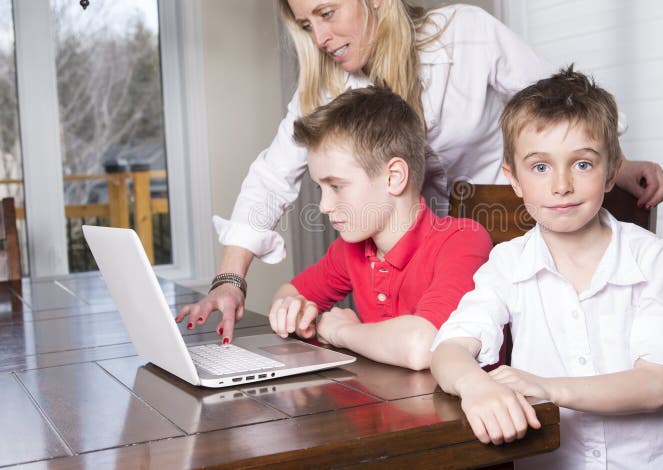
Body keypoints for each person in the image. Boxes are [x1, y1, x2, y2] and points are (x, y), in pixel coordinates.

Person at [184, 0, 663, 343]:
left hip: (511, 230)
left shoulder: (465, 32)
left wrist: (618, 165)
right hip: (415, 258)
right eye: (307, 25)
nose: (320, 38)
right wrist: (230, 280)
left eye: (328, 13)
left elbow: (560, 108)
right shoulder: (326, 89)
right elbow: (271, 177)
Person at [430, 67, 663, 468]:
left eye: (582, 164)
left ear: (611, 172)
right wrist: (475, 386)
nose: (561, 185)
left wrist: (545, 388)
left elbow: (653, 385)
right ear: (514, 179)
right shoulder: (507, 263)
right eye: (540, 167)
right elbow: (449, 348)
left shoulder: (652, 258)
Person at [181, 86, 493, 370]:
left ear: (394, 177)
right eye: (320, 188)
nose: (324, 205)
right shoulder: (351, 249)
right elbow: (289, 293)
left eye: (336, 186)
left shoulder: (462, 241)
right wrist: (293, 310)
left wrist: (341, 331)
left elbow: (421, 347)